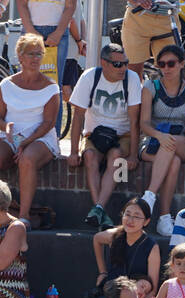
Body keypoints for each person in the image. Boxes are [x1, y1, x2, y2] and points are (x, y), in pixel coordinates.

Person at [0, 33, 61, 224]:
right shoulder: (7, 84)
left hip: (39, 138)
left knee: (27, 159)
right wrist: (6, 127)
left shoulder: (51, 87)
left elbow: (48, 123)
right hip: (10, 136)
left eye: (39, 54)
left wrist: (24, 143)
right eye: (31, 53)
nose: (35, 58)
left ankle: (23, 217)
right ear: (20, 56)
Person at [68, 44, 142, 228]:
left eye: (125, 63)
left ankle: (98, 210)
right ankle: (100, 210)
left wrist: (133, 154)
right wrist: (73, 151)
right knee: (90, 157)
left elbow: (134, 121)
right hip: (95, 134)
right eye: (117, 65)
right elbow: (78, 116)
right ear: (104, 63)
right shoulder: (90, 77)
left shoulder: (132, 79)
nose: (123, 68)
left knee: (116, 157)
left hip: (122, 135)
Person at [137, 44, 185, 237]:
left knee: (172, 144)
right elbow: (144, 124)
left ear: (182, 64)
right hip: (154, 139)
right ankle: (164, 218)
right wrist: (159, 135)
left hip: (183, 142)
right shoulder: (150, 87)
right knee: (172, 161)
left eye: (171, 63)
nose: (166, 68)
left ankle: (149, 196)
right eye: (161, 64)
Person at [77, 196, 160, 298]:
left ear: (146, 221)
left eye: (136, 216)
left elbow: (153, 288)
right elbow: (97, 239)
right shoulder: (116, 235)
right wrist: (102, 271)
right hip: (111, 296)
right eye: (127, 214)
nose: (130, 220)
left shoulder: (151, 246)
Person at [16, 0, 76, 75]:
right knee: (25, 80)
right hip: (31, 28)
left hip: (58, 30)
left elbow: (70, 5)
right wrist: (30, 30)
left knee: (54, 81)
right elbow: (21, 3)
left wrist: (58, 32)